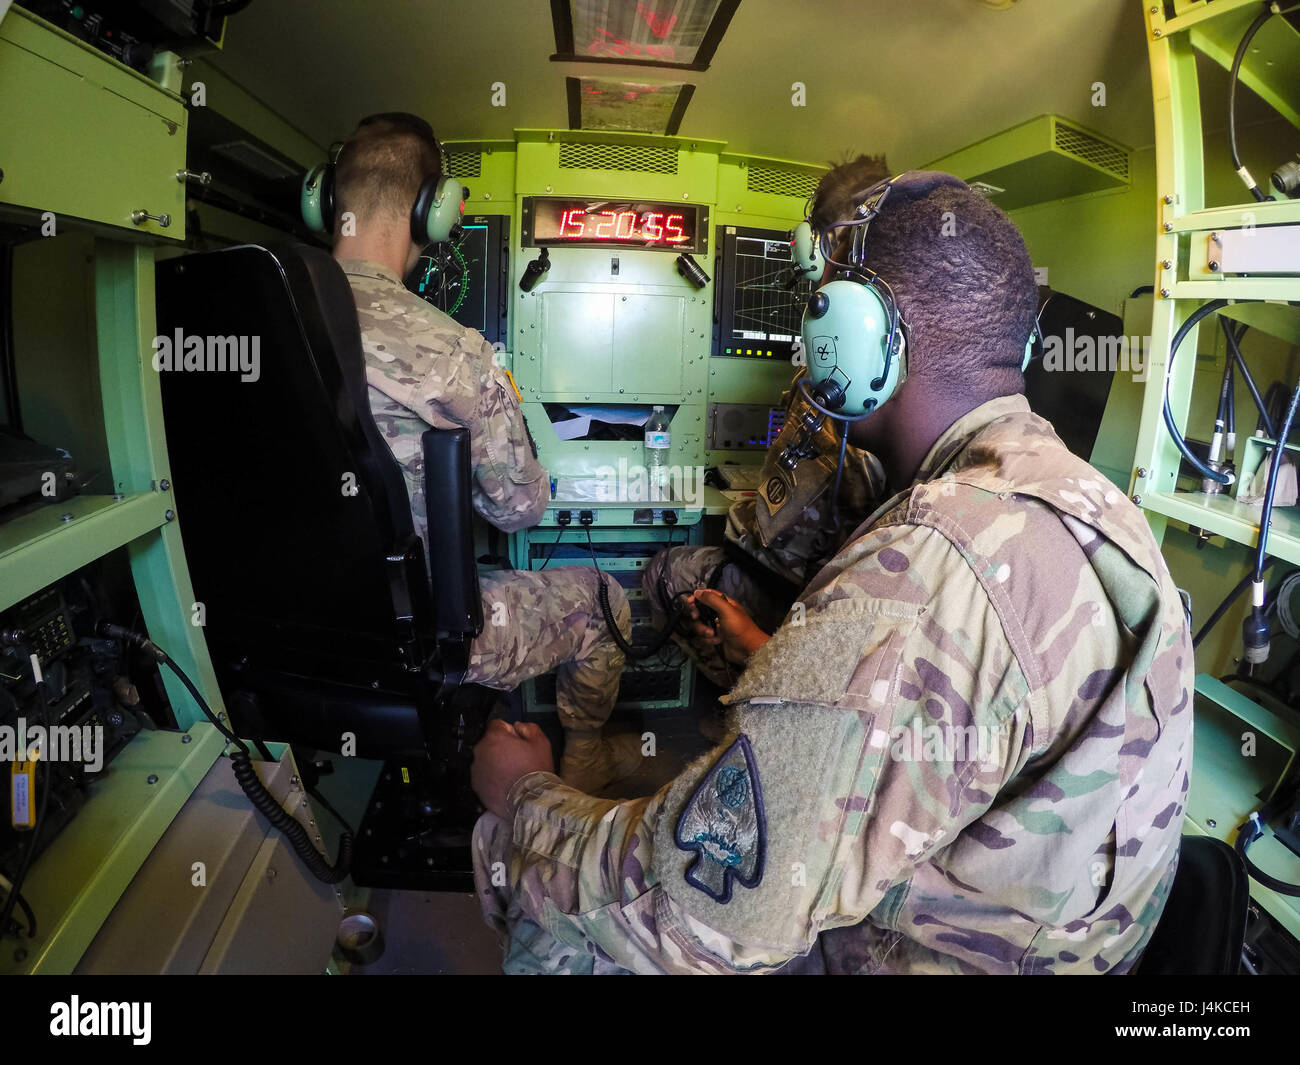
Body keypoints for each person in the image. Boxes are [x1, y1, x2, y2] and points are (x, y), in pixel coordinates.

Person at [467, 165, 1193, 974]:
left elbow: (699, 914)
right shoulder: (1082, 497)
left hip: (893, 951)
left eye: (824, 309)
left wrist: (524, 795)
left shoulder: (925, 567)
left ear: (852, 334)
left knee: (547, 929)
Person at [330, 113, 640, 793]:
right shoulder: (453, 351)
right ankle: (583, 750)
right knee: (605, 601)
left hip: (289, 627)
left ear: (326, 199)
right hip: (411, 637)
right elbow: (521, 509)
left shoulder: (259, 324)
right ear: (432, 210)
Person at [644, 155, 891, 693]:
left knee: (666, 572)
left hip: (792, 594)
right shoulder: (884, 363)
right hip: (818, 591)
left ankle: (739, 695)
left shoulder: (836, 382)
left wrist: (758, 640)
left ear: (815, 246)